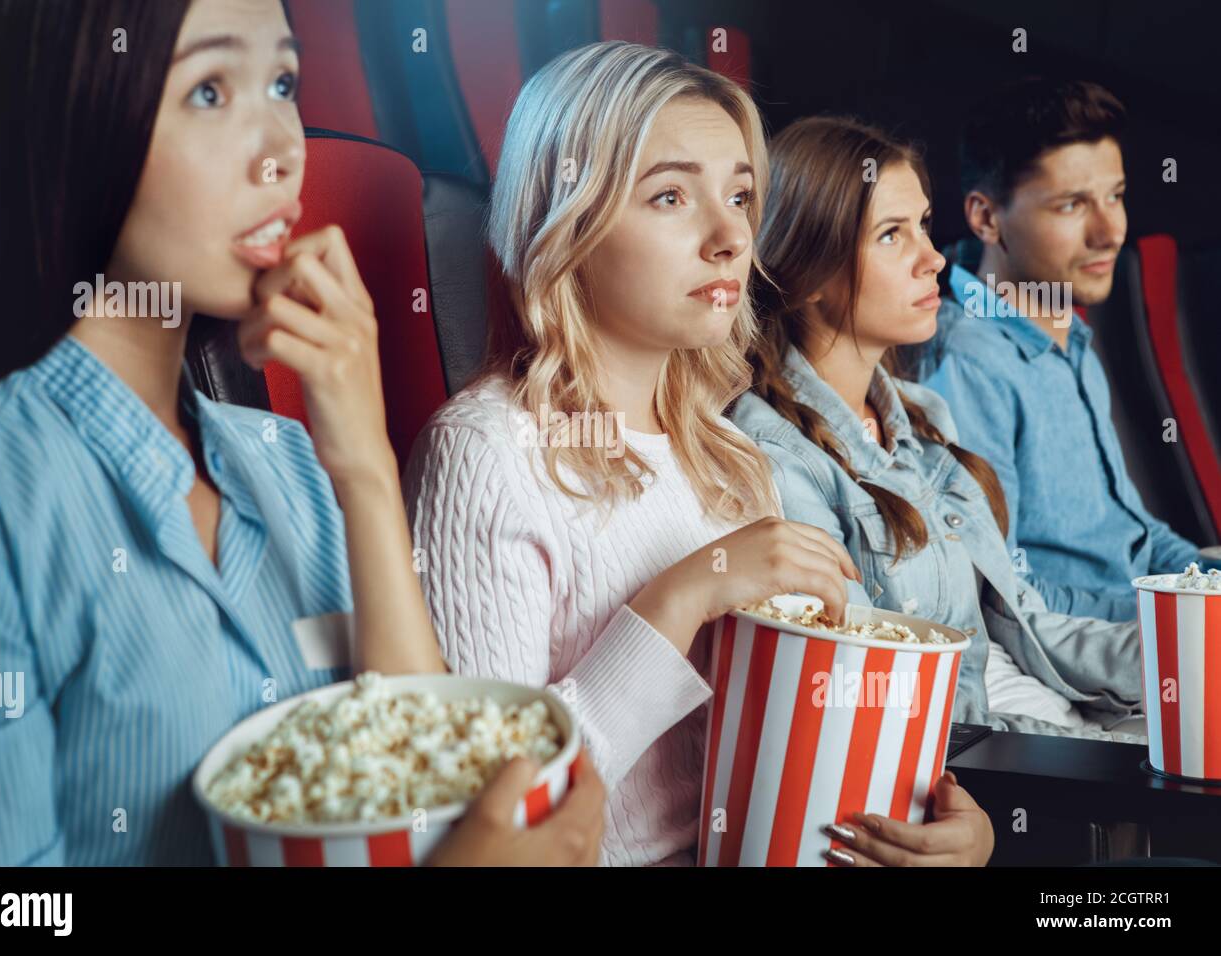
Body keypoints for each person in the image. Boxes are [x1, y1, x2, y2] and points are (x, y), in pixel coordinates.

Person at [0, 0, 603, 867]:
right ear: (57, 121)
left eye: (282, 82)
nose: (284, 148)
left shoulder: (291, 464)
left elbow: (424, 775)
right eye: (210, 91)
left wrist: (362, 470)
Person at [404, 41, 994, 867]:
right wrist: (680, 598)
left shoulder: (726, 454)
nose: (730, 239)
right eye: (672, 195)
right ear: (566, 218)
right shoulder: (485, 454)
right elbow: (490, 818)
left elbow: (792, 747)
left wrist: (943, 819)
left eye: (742, 197)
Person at [731, 116, 1149, 744]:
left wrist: (1173, 655)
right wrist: (1106, 746)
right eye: (892, 235)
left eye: (922, 225)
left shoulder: (923, 416)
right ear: (810, 272)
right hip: (965, 755)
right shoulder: (775, 457)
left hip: (1031, 708)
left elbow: (1022, 620)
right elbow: (879, 700)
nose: (932, 259)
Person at [912, 78, 1211, 622]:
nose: (1111, 232)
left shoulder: (1071, 337)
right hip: (1096, 655)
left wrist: (1205, 584)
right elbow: (1002, 594)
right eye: (1073, 205)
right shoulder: (969, 364)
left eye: (1115, 197)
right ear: (986, 218)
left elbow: (1133, 533)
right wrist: (1170, 616)